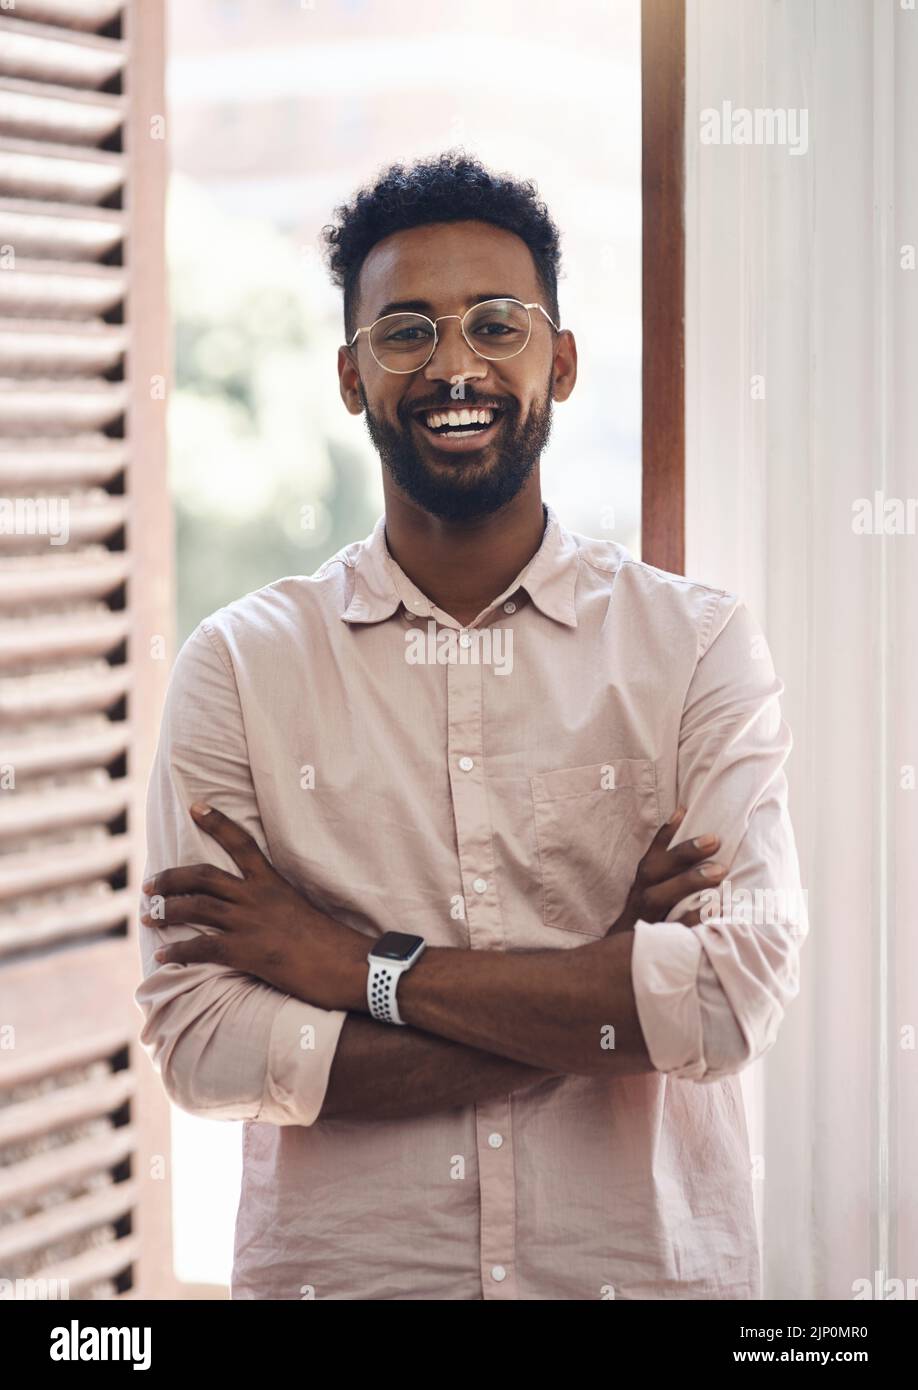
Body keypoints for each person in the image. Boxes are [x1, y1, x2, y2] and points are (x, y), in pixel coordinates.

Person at [135, 151, 807, 1300]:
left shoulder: (694, 650)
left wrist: (354, 969)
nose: (456, 365)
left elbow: (727, 997)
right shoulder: (240, 669)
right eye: (406, 333)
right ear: (352, 377)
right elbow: (201, 1043)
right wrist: (597, 991)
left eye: (498, 325)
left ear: (563, 360)